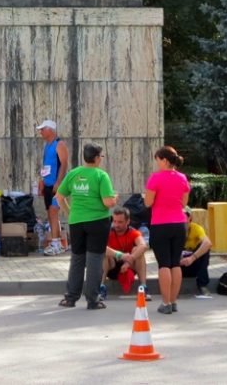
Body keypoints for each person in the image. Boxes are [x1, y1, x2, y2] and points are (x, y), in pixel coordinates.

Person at [56, 144, 118, 311]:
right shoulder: (101, 175)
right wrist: (115, 199)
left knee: (77, 258)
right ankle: (93, 299)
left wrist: (70, 213)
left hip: (76, 222)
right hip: (98, 221)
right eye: (101, 156)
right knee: (95, 259)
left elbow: (59, 196)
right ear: (97, 158)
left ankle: (70, 297)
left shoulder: (73, 174)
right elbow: (108, 202)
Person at [144, 145, 189, 315]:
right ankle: (174, 301)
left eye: (157, 160)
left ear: (164, 160)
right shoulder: (182, 178)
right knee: (175, 263)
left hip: (160, 224)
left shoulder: (155, 178)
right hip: (179, 224)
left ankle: (165, 302)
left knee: (164, 264)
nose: (156, 164)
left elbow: (148, 203)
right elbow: (184, 203)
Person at [36, 120, 70, 256]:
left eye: (43, 129)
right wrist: (42, 181)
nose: (41, 132)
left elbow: (64, 164)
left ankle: (57, 243)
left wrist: (58, 182)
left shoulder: (59, 144)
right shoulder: (47, 146)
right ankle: (57, 241)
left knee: (53, 212)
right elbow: (46, 165)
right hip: (48, 184)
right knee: (50, 214)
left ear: (50, 130)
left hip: (57, 185)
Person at [102, 206, 149, 301]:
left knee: (138, 250)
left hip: (129, 267)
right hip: (112, 267)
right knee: (103, 253)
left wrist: (129, 261)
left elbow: (144, 246)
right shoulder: (108, 232)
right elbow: (99, 248)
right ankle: (100, 287)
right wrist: (118, 255)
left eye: (120, 222)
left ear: (128, 221)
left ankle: (143, 288)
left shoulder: (133, 232)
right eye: (114, 221)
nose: (116, 225)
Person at [178, 206, 213, 297]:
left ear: (190, 218)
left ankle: (202, 285)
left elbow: (208, 243)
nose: (181, 219)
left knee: (205, 249)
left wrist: (192, 258)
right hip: (177, 266)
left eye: (183, 216)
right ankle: (172, 287)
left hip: (192, 264)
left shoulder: (196, 228)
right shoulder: (172, 229)